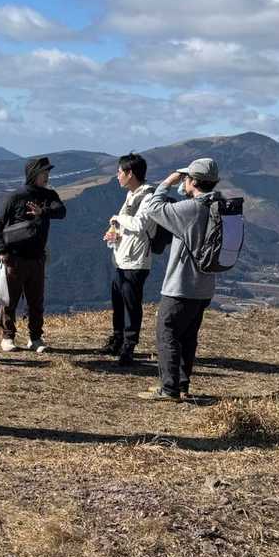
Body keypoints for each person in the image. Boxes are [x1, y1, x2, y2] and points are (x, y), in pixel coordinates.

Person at [137, 157, 221, 402]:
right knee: (187, 336)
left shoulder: (191, 209)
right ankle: (181, 385)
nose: (182, 182)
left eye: (185, 178)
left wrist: (165, 182)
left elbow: (153, 209)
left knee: (167, 333)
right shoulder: (218, 204)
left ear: (194, 181)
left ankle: (170, 388)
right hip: (205, 285)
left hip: (182, 285)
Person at [0, 155, 66, 352]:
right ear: (34, 174)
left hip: (37, 256)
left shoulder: (49, 196)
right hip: (14, 257)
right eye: (44, 173)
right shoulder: (16, 197)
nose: (47, 176)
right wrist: (2, 250)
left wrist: (43, 211)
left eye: (48, 172)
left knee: (36, 300)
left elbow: (61, 211)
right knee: (10, 299)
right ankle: (7, 337)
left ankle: (35, 337)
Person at [101, 152, 155, 366]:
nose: (117, 176)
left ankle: (129, 347)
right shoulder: (131, 196)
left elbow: (140, 225)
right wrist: (115, 234)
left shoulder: (148, 197)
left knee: (132, 305)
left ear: (130, 173)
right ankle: (118, 339)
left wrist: (117, 217)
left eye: (119, 172)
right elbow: (129, 228)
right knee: (118, 302)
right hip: (122, 259)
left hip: (136, 262)